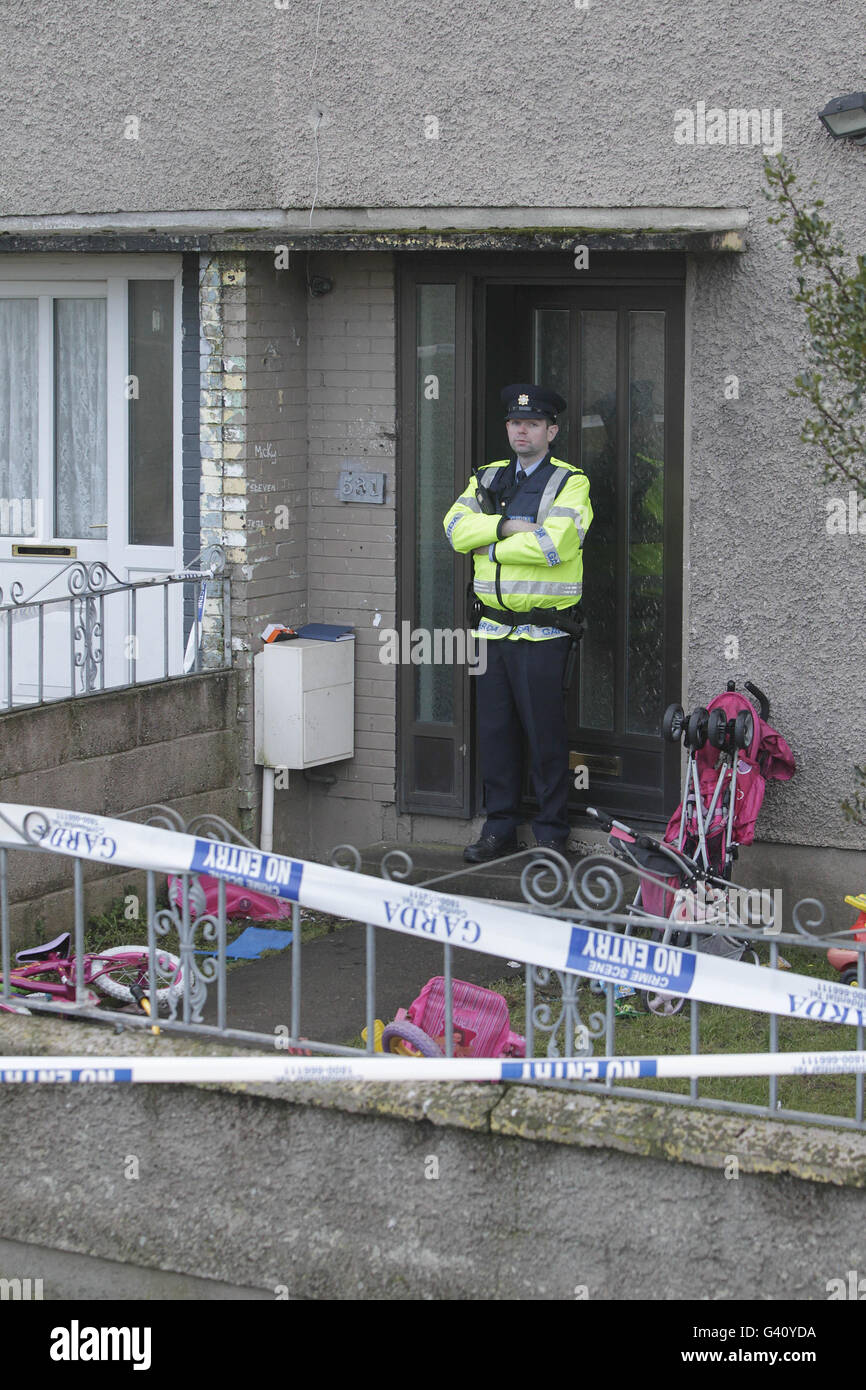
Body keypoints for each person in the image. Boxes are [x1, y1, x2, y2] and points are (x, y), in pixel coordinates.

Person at [443, 384, 593, 862]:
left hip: (544, 632)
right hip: (491, 632)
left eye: (532, 423)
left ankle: (551, 835)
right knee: (495, 734)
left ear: (551, 430)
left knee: (546, 737)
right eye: (514, 422)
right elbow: (453, 530)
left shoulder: (570, 482)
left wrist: (485, 542)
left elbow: (556, 546)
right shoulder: (486, 476)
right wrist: (507, 527)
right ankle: (499, 828)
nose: (521, 430)